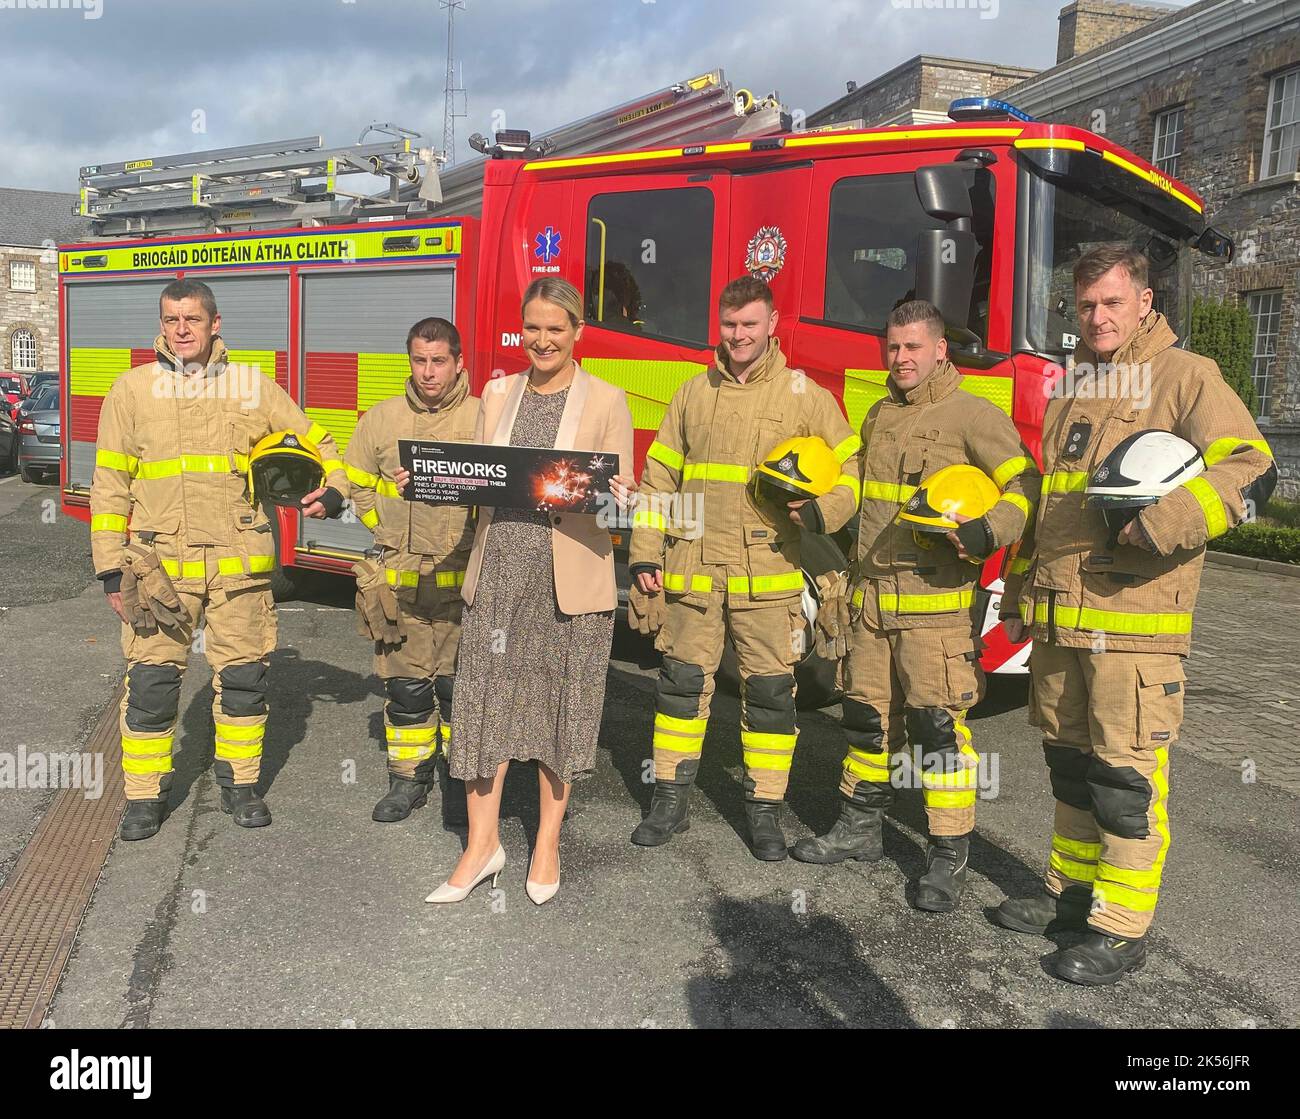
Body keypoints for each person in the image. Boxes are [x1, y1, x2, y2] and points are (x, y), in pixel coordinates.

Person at [995, 245, 1276, 984]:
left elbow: (1252, 466)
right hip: (1062, 623)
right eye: (1086, 305)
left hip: (1135, 628)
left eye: (1113, 302)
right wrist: (1023, 593)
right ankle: (1072, 895)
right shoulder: (1074, 389)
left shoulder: (1188, 377)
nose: (1098, 317)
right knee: (1070, 770)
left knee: (1124, 779)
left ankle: (1121, 928)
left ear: (1145, 301)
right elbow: (1050, 509)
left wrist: (1165, 523)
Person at [789, 299, 1039, 913]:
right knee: (866, 721)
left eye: (913, 348)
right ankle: (859, 827)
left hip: (935, 609)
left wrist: (988, 532)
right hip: (871, 604)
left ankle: (948, 856)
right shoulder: (876, 416)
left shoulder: (973, 414)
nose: (901, 358)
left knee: (937, 735)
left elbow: (1026, 483)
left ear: (940, 349)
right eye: (893, 346)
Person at [91, 278, 347, 841]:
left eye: (191, 320)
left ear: (215, 324)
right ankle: (144, 797)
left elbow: (321, 441)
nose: (180, 330)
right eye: (170, 320)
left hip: (238, 573)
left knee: (244, 682)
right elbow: (109, 484)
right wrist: (111, 567)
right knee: (154, 687)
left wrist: (333, 491)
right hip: (158, 574)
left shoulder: (252, 389)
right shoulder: (131, 391)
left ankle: (241, 785)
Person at [627, 275, 862, 861]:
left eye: (749, 325)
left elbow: (850, 474)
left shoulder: (805, 396)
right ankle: (670, 801)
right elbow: (659, 482)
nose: (738, 336)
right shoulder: (690, 394)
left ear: (772, 324)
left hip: (769, 578)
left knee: (771, 695)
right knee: (680, 689)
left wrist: (818, 517)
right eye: (729, 326)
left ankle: (765, 811)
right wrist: (645, 554)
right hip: (693, 574)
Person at [422, 277, 635, 905]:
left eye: (556, 328)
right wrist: (425, 476)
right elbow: (470, 472)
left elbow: (615, 510)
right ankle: (481, 847)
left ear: (577, 333)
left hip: (567, 576)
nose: (543, 340)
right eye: (533, 328)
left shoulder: (607, 400)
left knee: (559, 714)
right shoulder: (496, 393)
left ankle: (546, 844)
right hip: (500, 572)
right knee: (484, 710)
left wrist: (621, 502)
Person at [345, 317, 480, 823]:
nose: (428, 372)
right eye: (420, 360)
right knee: (406, 688)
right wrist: (388, 523)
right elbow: (357, 484)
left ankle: (461, 781)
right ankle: (407, 779)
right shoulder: (380, 420)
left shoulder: (483, 419)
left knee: (458, 687)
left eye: (439, 360)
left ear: (458, 362)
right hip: (400, 586)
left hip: (461, 585)